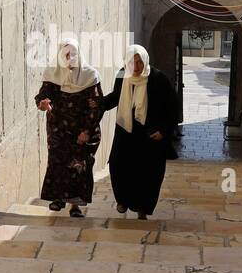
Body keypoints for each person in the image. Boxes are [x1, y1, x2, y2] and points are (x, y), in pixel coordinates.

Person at [101, 45, 178, 219]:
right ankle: (123, 200)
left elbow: (172, 109)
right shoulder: (123, 74)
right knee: (118, 165)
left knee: (148, 173)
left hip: (149, 134)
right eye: (131, 62)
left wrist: (163, 131)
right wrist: (99, 104)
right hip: (125, 130)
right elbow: (116, 95)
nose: (135, 67)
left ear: (145, 61)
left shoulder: (158, 79)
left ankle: (143, 208)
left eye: (139, 62)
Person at [34, 37, 104, 217]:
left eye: (73, 54)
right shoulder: (53, 73)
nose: (70, 58)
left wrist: (87, 131)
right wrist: (43, 103)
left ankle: (75, 206)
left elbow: (96, 106)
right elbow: (43, 95)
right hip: (58, 128)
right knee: (57, 161)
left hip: (82, 129)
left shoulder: (90, 75)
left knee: (78, 165)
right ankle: (57, 198)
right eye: (66, 54)